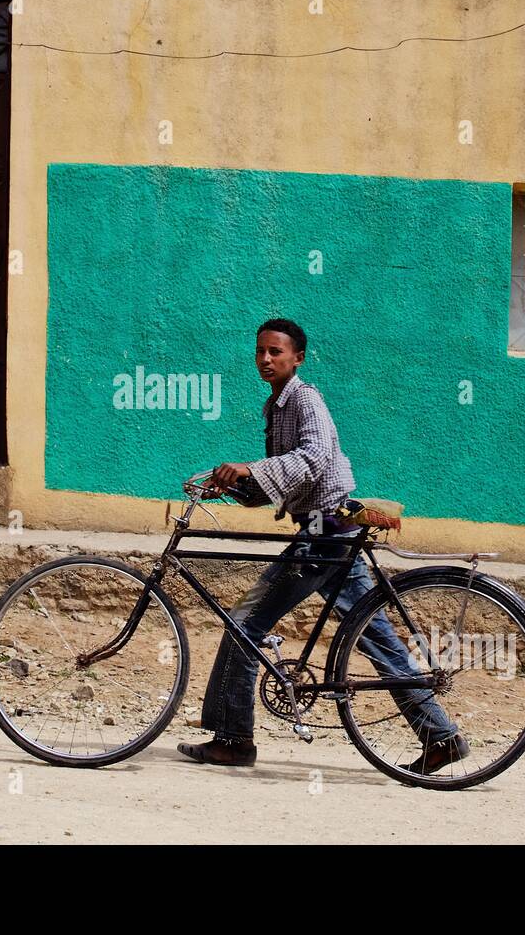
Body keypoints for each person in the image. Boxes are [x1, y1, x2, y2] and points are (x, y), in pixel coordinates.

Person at [176, 318, 467, 771]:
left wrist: (252, 469)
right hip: (332, 533)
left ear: (298, 358)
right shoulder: (277, 405)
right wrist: (234, 486)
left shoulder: (305, 399)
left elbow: (313, 459)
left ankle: (233, 740)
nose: (266, 359)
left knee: (243, 625)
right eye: (260, 352)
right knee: (377, 639)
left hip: (323, 535)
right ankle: (441, 737)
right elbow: (287, 478)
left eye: (276, 352)